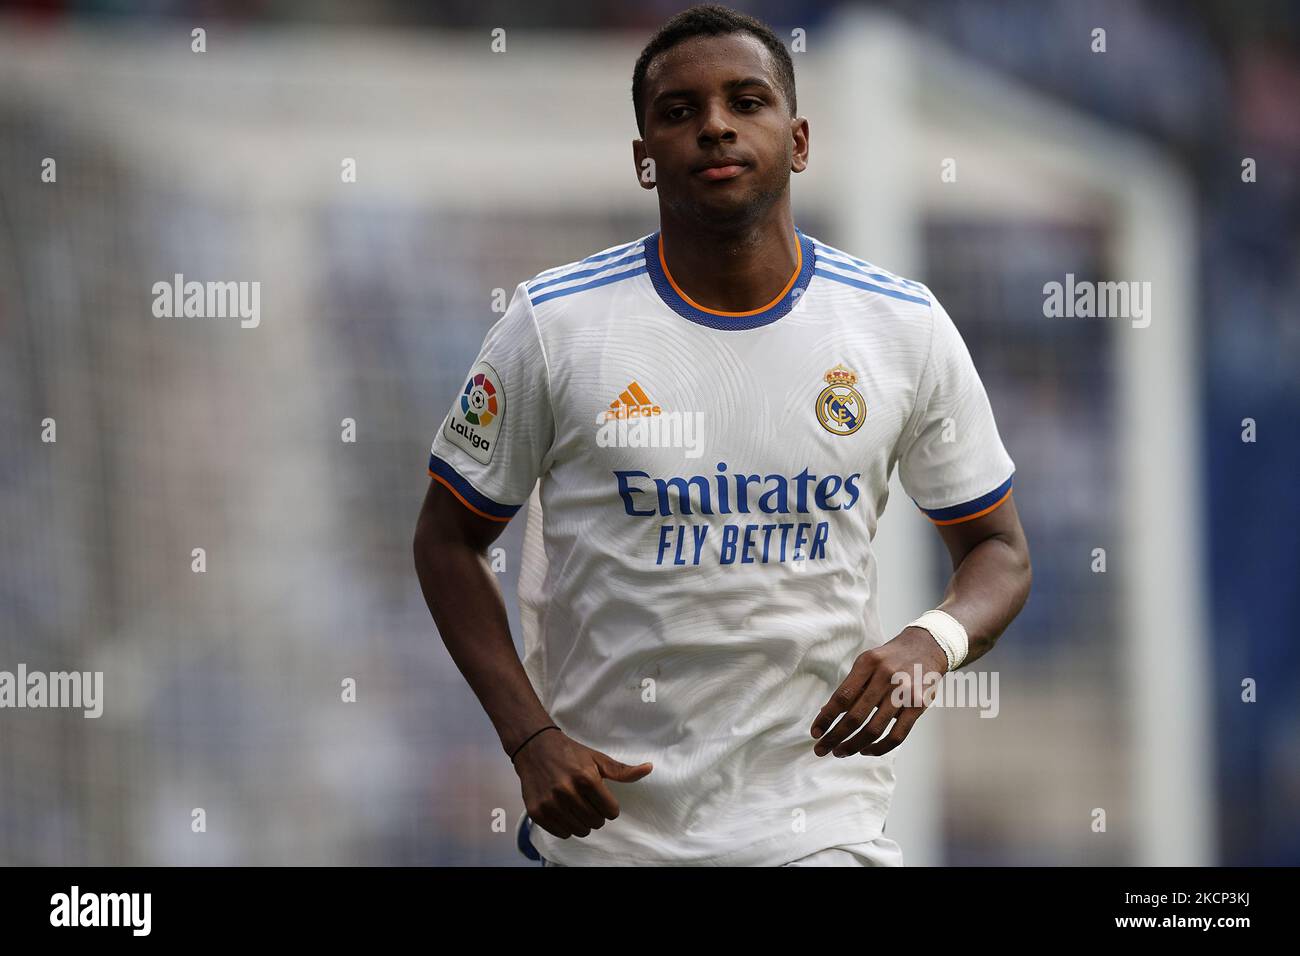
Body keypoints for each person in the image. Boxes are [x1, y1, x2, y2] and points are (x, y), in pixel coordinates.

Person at [413, 3, 1031, 867]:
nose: (714, 127)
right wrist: (528, 740)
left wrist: (933, 641)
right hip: (610, 833)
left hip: (821, 823)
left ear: (800, 139)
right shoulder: (554, 326)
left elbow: (998, 549)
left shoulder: (902, 327)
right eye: (678, 111)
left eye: (746, 102)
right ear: (642, 158)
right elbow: (447, 541)